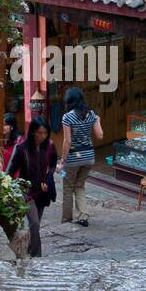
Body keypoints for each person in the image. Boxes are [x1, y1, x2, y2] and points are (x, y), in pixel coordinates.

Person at [7, 116, 58, 257]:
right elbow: (12, 169)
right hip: (26, 191)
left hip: (42, 192)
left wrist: (47, 180)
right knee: (34, 223)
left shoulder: (50, 146)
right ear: (33, 132)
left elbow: (53, 164)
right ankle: (37, 256)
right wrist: (9, 187)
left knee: (35, 226)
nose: (43, 136)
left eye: (45, 133)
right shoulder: (23, 149)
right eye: (40, 133)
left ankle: (29, 249)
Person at [56, 86, 103, 226]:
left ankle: (66, 219)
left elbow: (67, 141)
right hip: (89, 157)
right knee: (80, 185)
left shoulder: (67, 117)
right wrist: (98, 120)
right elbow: (100, 135)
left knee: (68, 187)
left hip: (73, 158)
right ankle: (83, 216)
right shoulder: (92, 115)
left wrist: (62, 160)